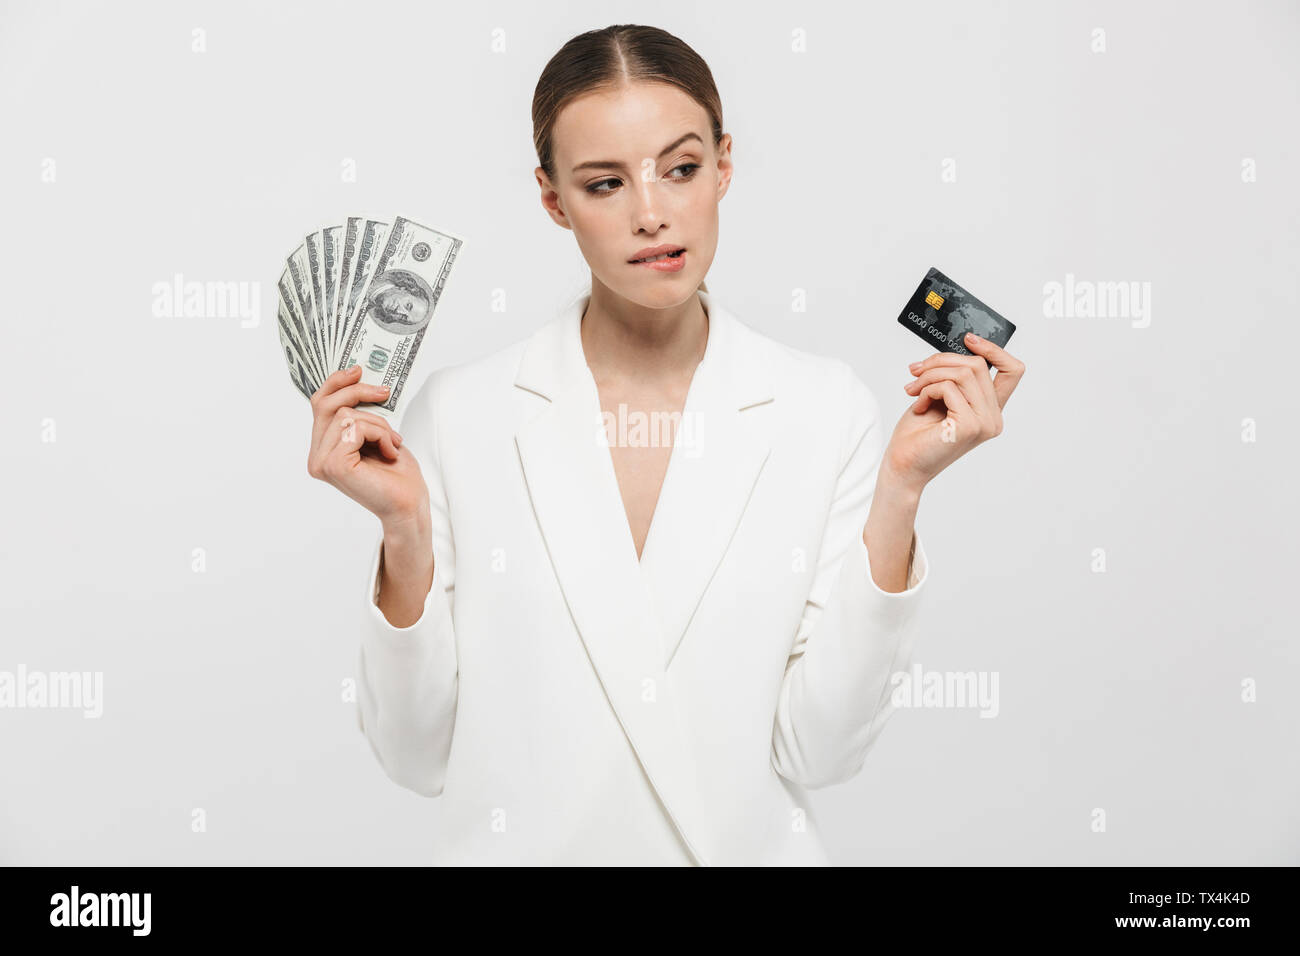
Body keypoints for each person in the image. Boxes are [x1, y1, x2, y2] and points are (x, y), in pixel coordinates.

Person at [306, 23, 1025, 865]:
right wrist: (404, 533)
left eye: (680, 169)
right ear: (552, 200)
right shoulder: (461, 415)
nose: (651, 214)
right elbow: (415, 757)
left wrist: (903, 487)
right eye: (605, 183)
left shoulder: (823, 410)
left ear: (724, 165)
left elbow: (823, 752)